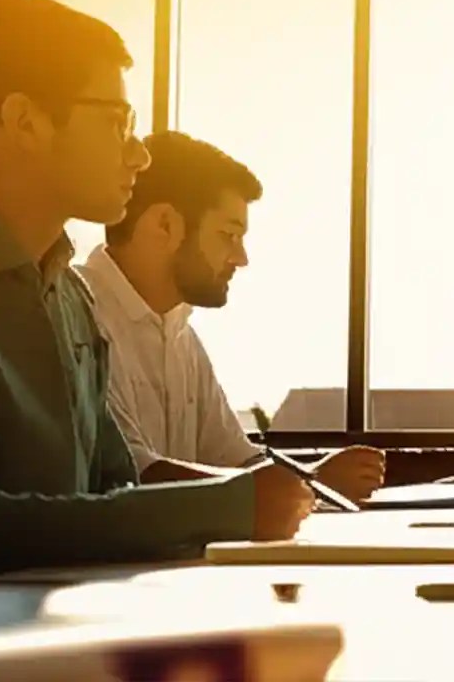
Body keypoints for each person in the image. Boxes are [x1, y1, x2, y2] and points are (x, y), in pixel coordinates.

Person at [0, 0, 312, 571]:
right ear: (25, 122)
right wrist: (224, 510)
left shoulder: (70, 297)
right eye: (117, 123)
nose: (140, 156)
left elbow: (113, 489)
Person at [76, 130, 384, 502]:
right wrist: (306, 485)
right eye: (228, 235)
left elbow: (236, 461)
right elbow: (135, 474)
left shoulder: (180, 335)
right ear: (165, 225)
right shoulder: (79, 315)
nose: (241, 258)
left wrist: (311, 478)